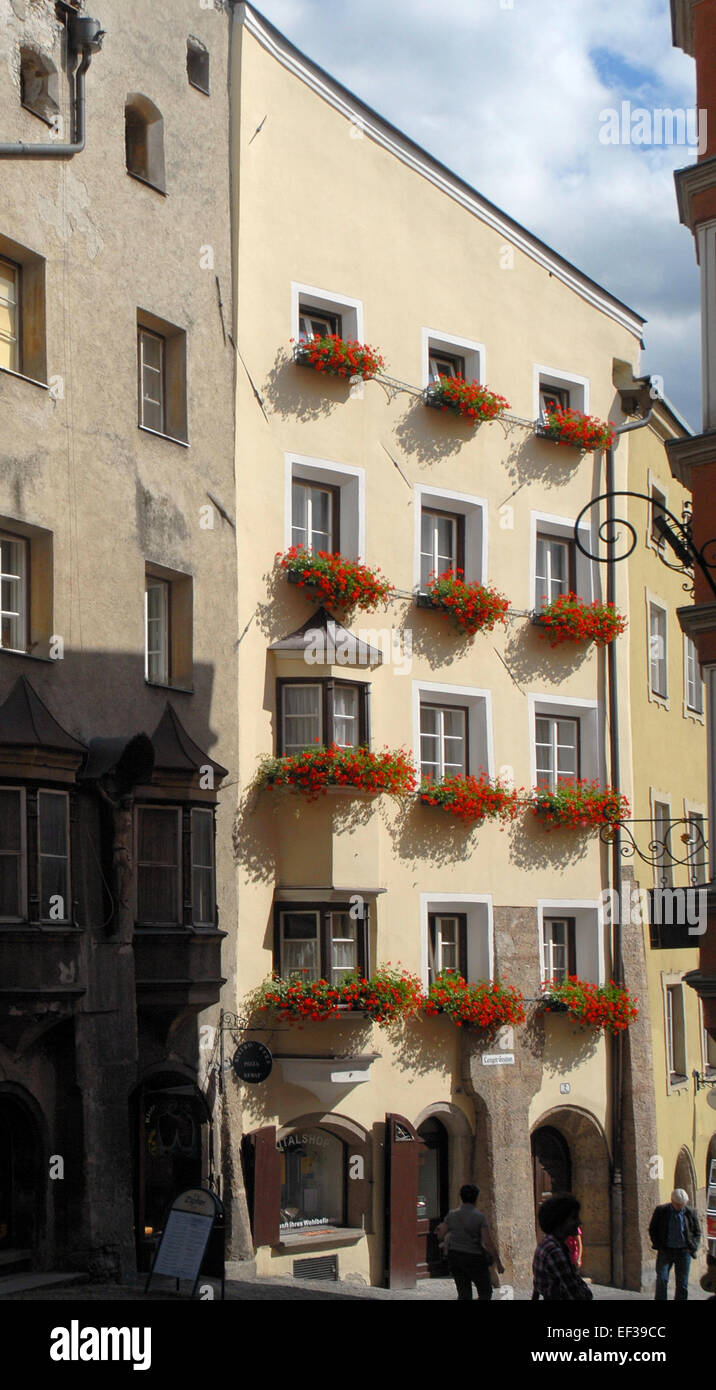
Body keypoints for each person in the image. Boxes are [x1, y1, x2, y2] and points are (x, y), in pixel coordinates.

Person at [435, 1183, 504, 1301]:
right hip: (474, 1258)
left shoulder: (452, 1215)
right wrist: (498, 1263)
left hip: (455, 1256)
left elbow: (440, 1235)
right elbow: (488, 1242)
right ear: (476, 1198)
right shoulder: (479, 1217)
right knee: (485, 1291)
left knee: (464, 1294)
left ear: (461, 1197)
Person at [532, 1195, 593, 1300]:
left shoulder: (546, 1244)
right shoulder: (555, 1252)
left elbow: (537, 1286)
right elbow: (576, 1294)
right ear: (560, 1221)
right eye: (574, 1218)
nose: (579, 1222)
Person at [648, 1188, 701, 1301]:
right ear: (672, 1201)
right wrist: (658, 1244)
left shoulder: (690, 1212)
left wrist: (693, 1247)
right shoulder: (661, 1211)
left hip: (683, 1251)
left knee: (682, 1283)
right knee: (662, 1279)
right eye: (678, 1204)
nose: (681, 1207)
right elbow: (653, 1228)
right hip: (666, 1250)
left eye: (683, 1204)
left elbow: (697, 1232)